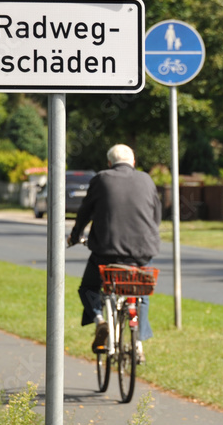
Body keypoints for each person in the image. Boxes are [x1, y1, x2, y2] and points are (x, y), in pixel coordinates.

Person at [68, 144, 161, 360]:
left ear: (109, 163)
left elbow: (85, 212)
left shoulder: (101, 179)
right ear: (134, 162)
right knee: (141, 289)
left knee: (89, 287)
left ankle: (100, 320)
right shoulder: (146, 180)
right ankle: (138, 342)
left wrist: (75, 236)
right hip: (142, 252)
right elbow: (155, 215)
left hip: (106, 253)